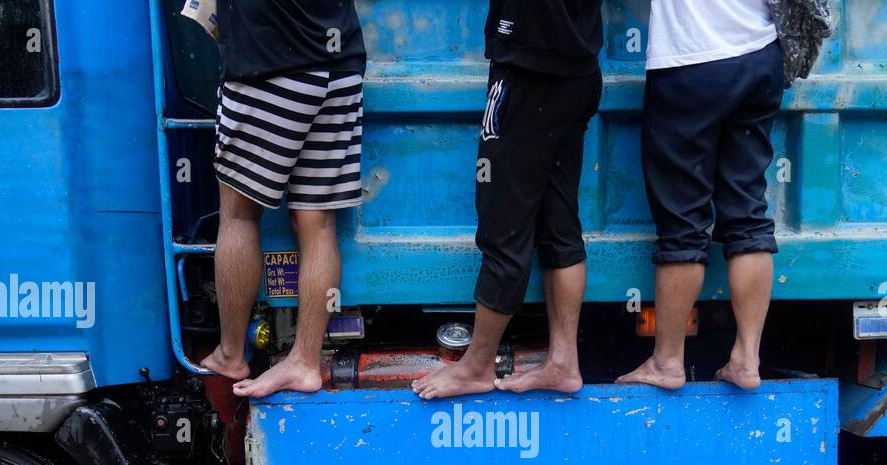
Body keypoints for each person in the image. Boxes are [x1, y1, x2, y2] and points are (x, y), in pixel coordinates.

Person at [413, 0, 604, 400]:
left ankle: (477, 367)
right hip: (579, 70)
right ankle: (564, 361)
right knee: (560, 224)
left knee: (504, 224)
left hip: (527, 72)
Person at [200, 0, 366, 399]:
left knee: (239, 216)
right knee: (318, 223)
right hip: (340, 64)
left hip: (269, 64)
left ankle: (230, 353)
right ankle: (306, 362)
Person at [619, 0, 785, 391]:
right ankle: (747, 358)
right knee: (748, 213)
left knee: (683, 222)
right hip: (762, 54)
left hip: (690, 60)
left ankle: (667, 361)